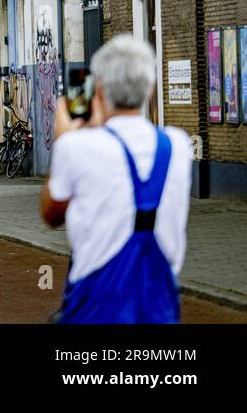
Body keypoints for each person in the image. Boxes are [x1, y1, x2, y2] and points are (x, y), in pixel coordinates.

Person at [41, 34, 190, 323]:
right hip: (160, 307)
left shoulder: (76, 147)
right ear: (150, 90)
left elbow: (51, 214)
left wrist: (63, 140)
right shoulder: (178, 145)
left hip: (96, 309)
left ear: (98, 91)